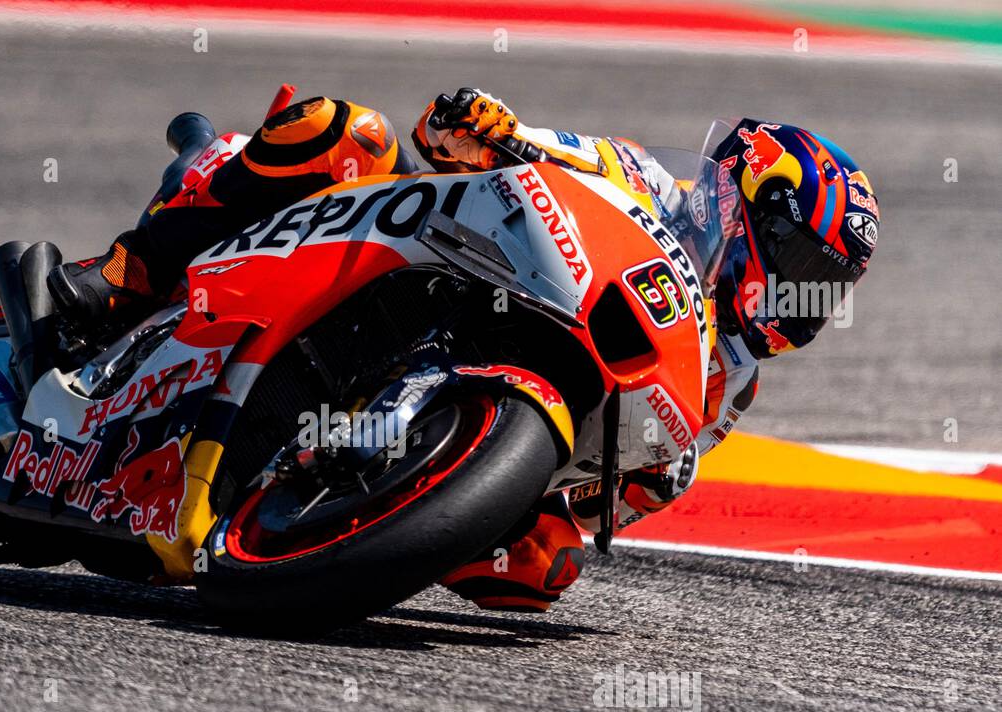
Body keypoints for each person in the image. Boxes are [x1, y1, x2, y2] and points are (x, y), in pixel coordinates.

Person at [48, 88, 880, 612]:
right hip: (444, 253)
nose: (801, 296)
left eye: (827, 284)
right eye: (801, 263)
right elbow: (549, 152)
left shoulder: (730, 387)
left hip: (525, 381)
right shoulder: (657, 186)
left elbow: (636, 490)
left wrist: (563, 517)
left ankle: (329, 485)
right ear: (744, 206)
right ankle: (121, 278)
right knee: (346, 132)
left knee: (534, 578)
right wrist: (490, 127)